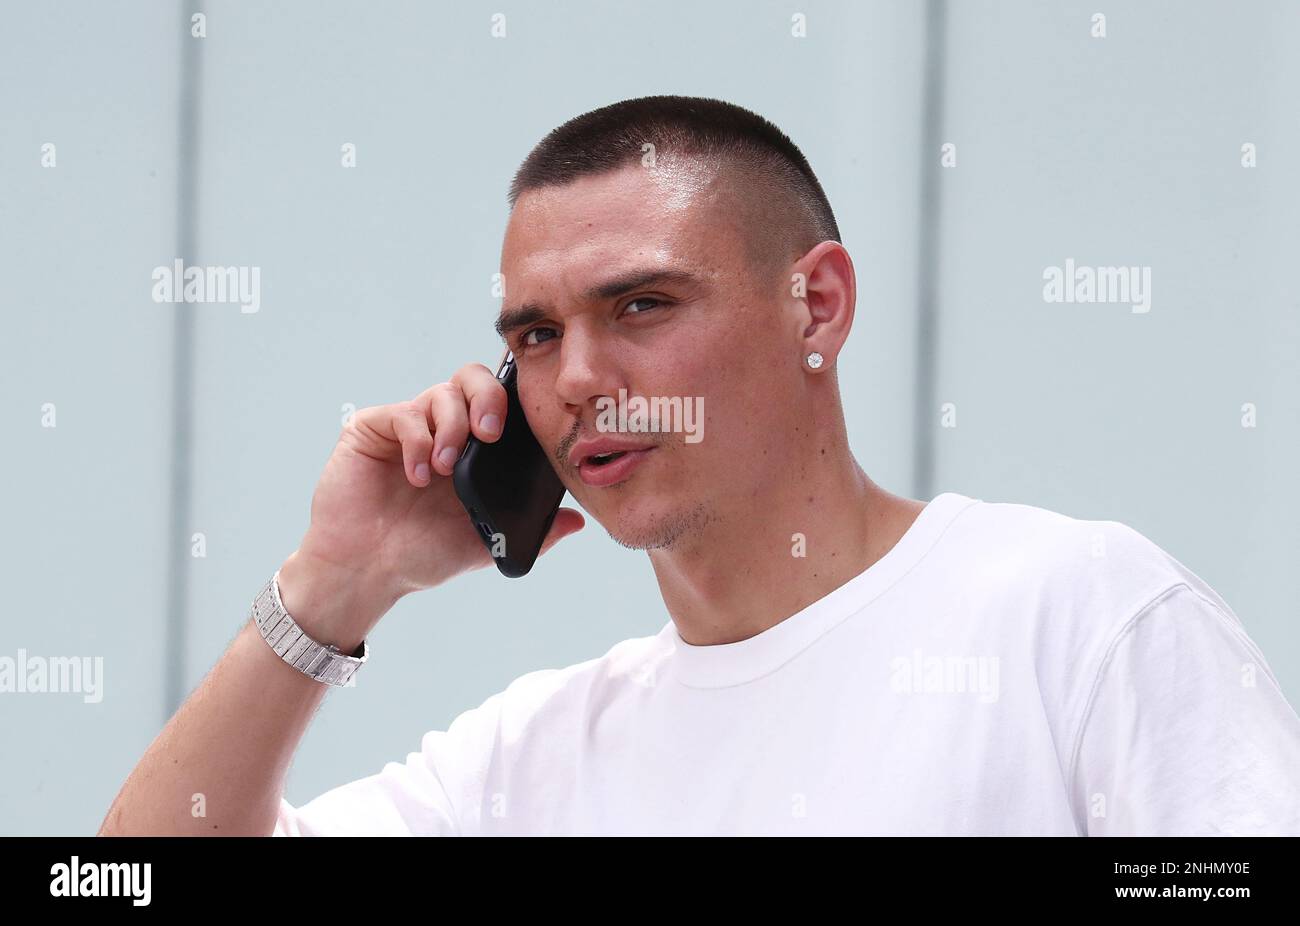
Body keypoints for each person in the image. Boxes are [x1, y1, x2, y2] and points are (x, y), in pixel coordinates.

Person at [99, 95, 1300, 836]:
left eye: (641, 303)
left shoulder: (1079, 617)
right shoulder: (535, 756)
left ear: (814, 304)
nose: (574, 378)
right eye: (534, 333)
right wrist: (333, 587)